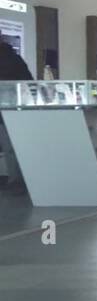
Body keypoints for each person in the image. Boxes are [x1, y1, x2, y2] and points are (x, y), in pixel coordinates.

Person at [0, 41, 32, 192]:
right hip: (12, 109)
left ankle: (16, 181)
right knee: (11, 148)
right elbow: (28, 81)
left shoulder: (11, 59)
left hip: (8, 109)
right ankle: (17, 181)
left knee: (10, 148)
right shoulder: (14, 58)